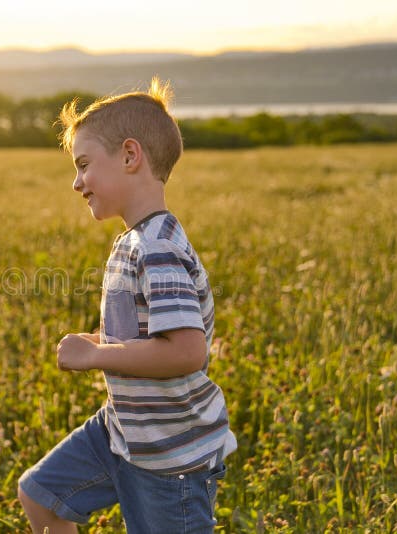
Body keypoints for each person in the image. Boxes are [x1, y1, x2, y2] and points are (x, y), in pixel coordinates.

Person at [18, 78, 237, 533]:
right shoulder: (135, 242)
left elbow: (184, 351)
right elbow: (147, 339)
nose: (76, 182)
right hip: (120, 431)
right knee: (43, 495)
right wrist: (99, 340)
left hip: (167, 451)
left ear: (130, 156)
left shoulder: (158, 248)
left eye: (83, 164)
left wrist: (97, 355)